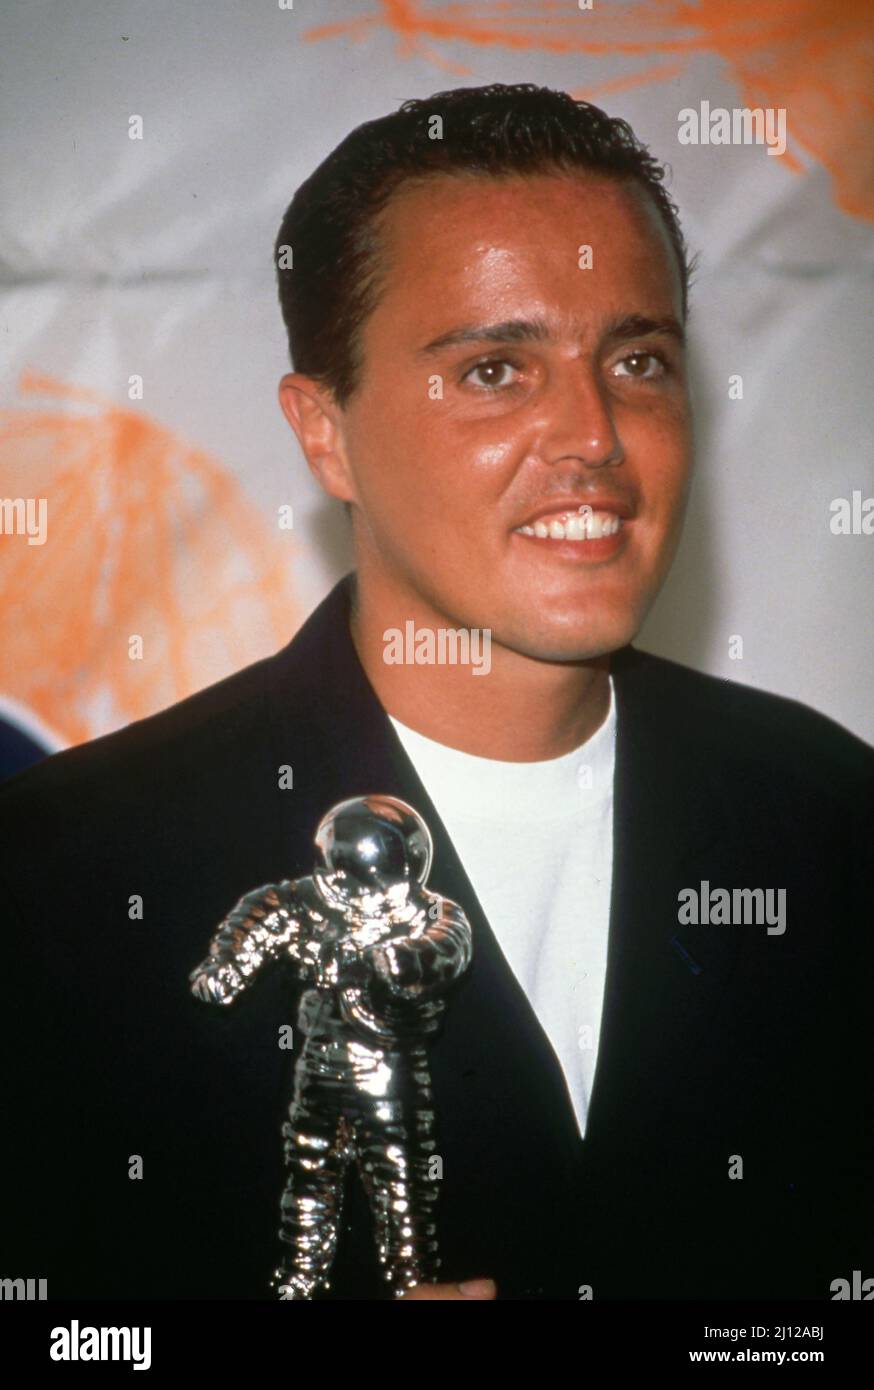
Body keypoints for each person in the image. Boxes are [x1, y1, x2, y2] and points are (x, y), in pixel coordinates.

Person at [0, 84, 871, 1302]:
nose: (593, 435)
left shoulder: (828, 816)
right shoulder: (66, 871)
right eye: (495, 369)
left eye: (636, 358)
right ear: (325, 434)